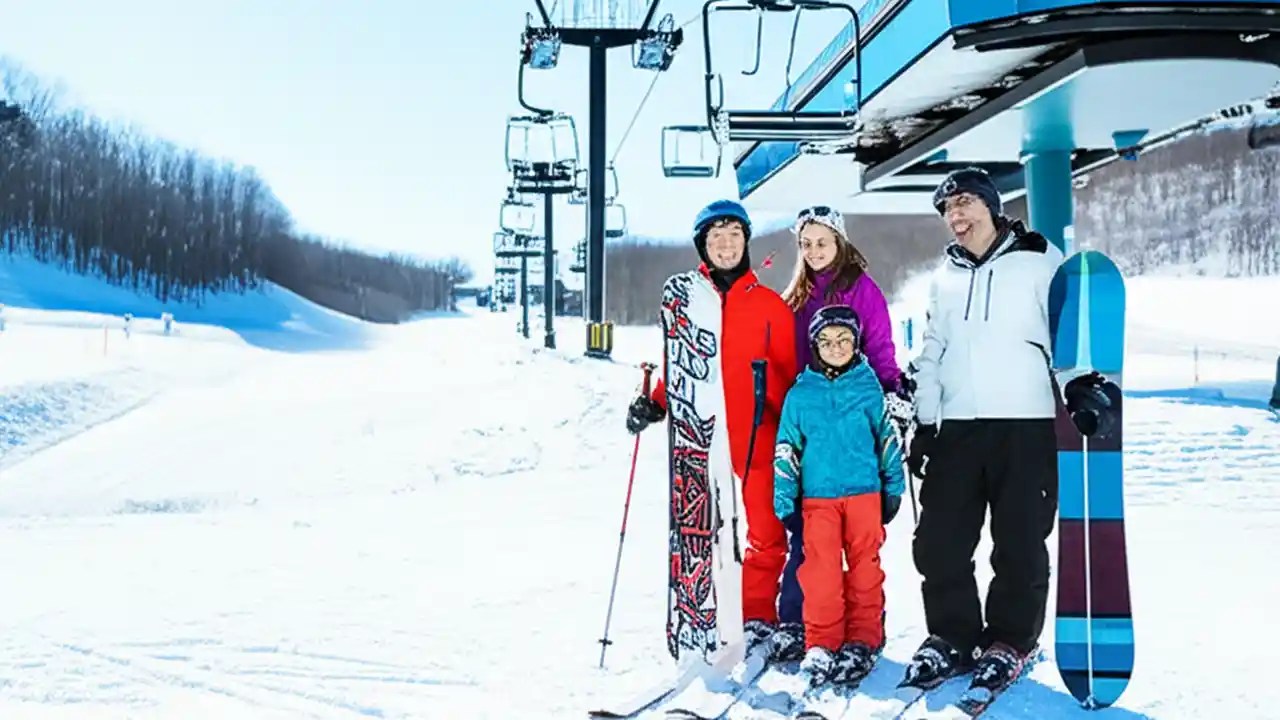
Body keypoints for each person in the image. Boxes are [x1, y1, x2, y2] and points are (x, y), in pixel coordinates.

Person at [902, 167, 1119, 694]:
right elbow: (932, 353)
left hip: (1025, 427)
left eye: (965, 205)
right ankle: (952, 636)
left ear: (992, 207)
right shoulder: (944, 276)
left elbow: (1063, 338)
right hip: (956, 429)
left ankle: (1011, 640)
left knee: (1019, 541)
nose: (956, 217)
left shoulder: (1039, 260)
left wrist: (1081, 387)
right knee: (939, 543)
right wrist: (926, 424)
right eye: (947, 211)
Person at [625, 199, 800, 657]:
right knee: (706, 532)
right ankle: (707, 616)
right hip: (701, 439)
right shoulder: (689, 304)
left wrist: (798, 433)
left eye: (733, 235)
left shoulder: (770, 306)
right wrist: (655, 402)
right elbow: (680, 366)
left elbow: (790, 373)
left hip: (759, 436)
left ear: (745, 241)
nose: (725, 244)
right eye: (715, 237)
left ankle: (757, 614)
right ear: (704, 246)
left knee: (765, 533)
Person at [771, 204, 913, 660]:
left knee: (860, 553)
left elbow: (880, 344)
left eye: (823, 242)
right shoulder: (796, 295)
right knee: (811, 544)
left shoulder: (861, 290)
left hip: (854, 412)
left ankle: (863, 629)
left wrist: (891, 391)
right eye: (806, 244)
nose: (814, 251)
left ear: (840, 242)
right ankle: (802, 621)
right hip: (809, 409)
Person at [773, 305, 905, 687]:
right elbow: (787, 449)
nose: (835, 347)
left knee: (865, 568)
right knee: (821, 572)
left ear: (856, 343)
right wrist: (786, 500)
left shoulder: (868, 386)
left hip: (865, 494)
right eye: (827, 341)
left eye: (844, 339)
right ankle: (822, 641)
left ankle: (863, 638)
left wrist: (893, 487)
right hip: (819, 499)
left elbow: (887, 440)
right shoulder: (801, 393)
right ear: (814, 345)